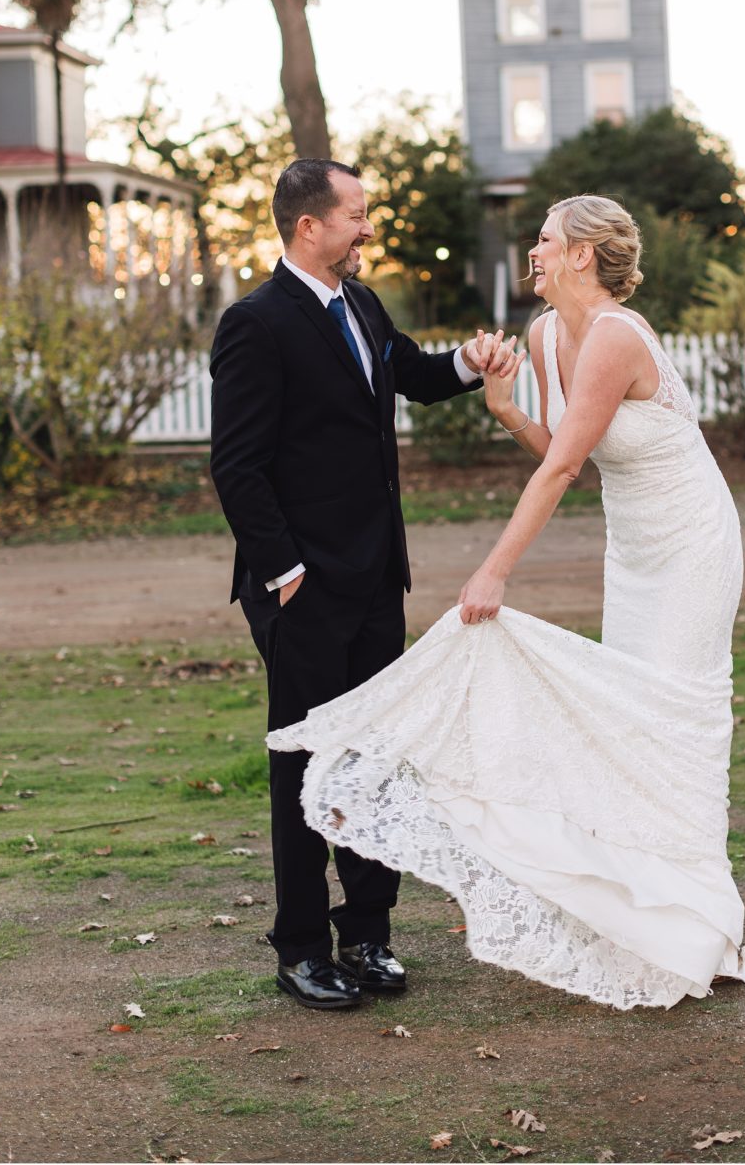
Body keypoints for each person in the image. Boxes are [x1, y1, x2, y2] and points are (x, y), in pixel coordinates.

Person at [269, 193, 745, 1010]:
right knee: (629, 723)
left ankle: (697, 922)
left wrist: (493, 570)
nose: (532, 252)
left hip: (691, 543)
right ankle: (637, 910)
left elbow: (563, 471)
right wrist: (502, 407)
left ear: (582, 255)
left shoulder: (614, 335)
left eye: (544, 240)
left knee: (672, 718)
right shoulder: (542, 334)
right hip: (633, 544)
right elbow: (568, 450)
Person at [210, 158, 510, 1012]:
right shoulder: (256, 324)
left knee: (378, 760)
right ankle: (302, 948)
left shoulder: (362, 305)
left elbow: (410, 373)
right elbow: (236, 467)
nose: (368, 227)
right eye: (357, 214)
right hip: (302, 589)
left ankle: (368, 936)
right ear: (311, 226)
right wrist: (285, 570)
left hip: (378, 577)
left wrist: (468, 362)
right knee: (306, 767)